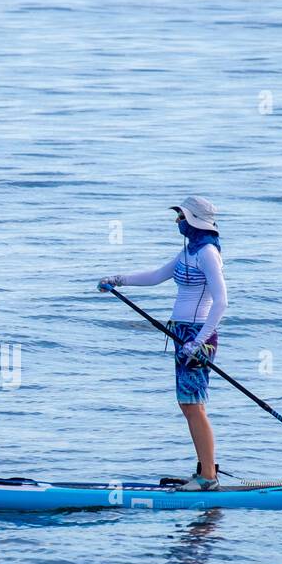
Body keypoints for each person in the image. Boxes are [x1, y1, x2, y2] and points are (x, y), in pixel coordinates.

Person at [99, 196, 228, 490]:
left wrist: (198, 341)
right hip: (182, 334)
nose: (177, 222)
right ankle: (204, 471)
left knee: (193, 405)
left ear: (194, 219)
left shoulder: (207, 252)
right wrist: (118, 280)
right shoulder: (188, 251)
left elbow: (221, 302)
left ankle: (208, 477)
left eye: (181, 216)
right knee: (188, 405)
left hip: (198, 336)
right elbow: (157, 276)